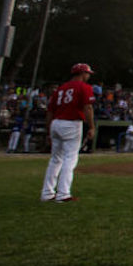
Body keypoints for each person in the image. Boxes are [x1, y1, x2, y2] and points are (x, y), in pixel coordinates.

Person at [40, 63, 96, 202]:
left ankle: (47, 193)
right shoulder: (84, 87)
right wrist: (92, 126)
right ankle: (63, 194)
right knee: (69, 159)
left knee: (55, 159)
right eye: (88, 73)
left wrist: (48, 131)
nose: (88, 76)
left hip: (56, 123)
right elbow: (87, 107)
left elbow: (50, 112)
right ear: (82, 73)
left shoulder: (60, 88)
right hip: (71, 123)